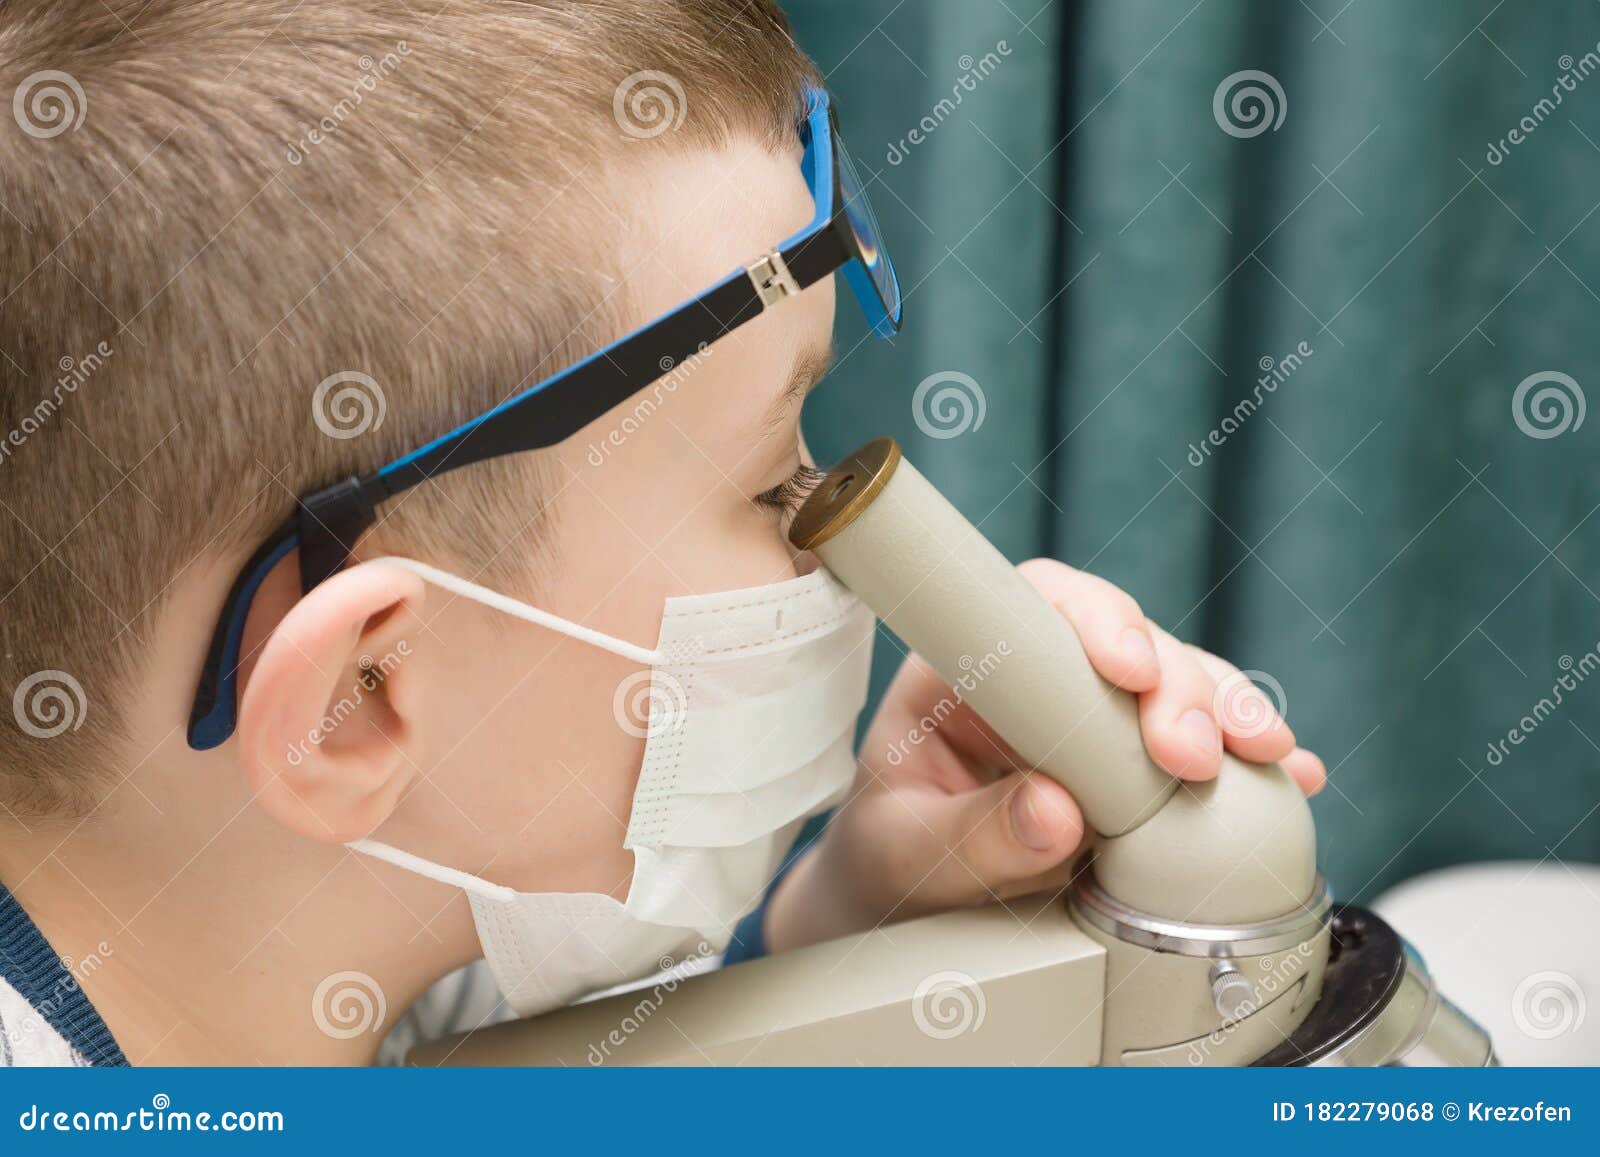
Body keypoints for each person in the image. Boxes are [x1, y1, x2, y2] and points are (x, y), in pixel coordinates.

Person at [0, 0, 1323, 1066]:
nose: (837, 543)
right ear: (361, 698)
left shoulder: (333, 970)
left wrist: (840, 938)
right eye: (766, 482)